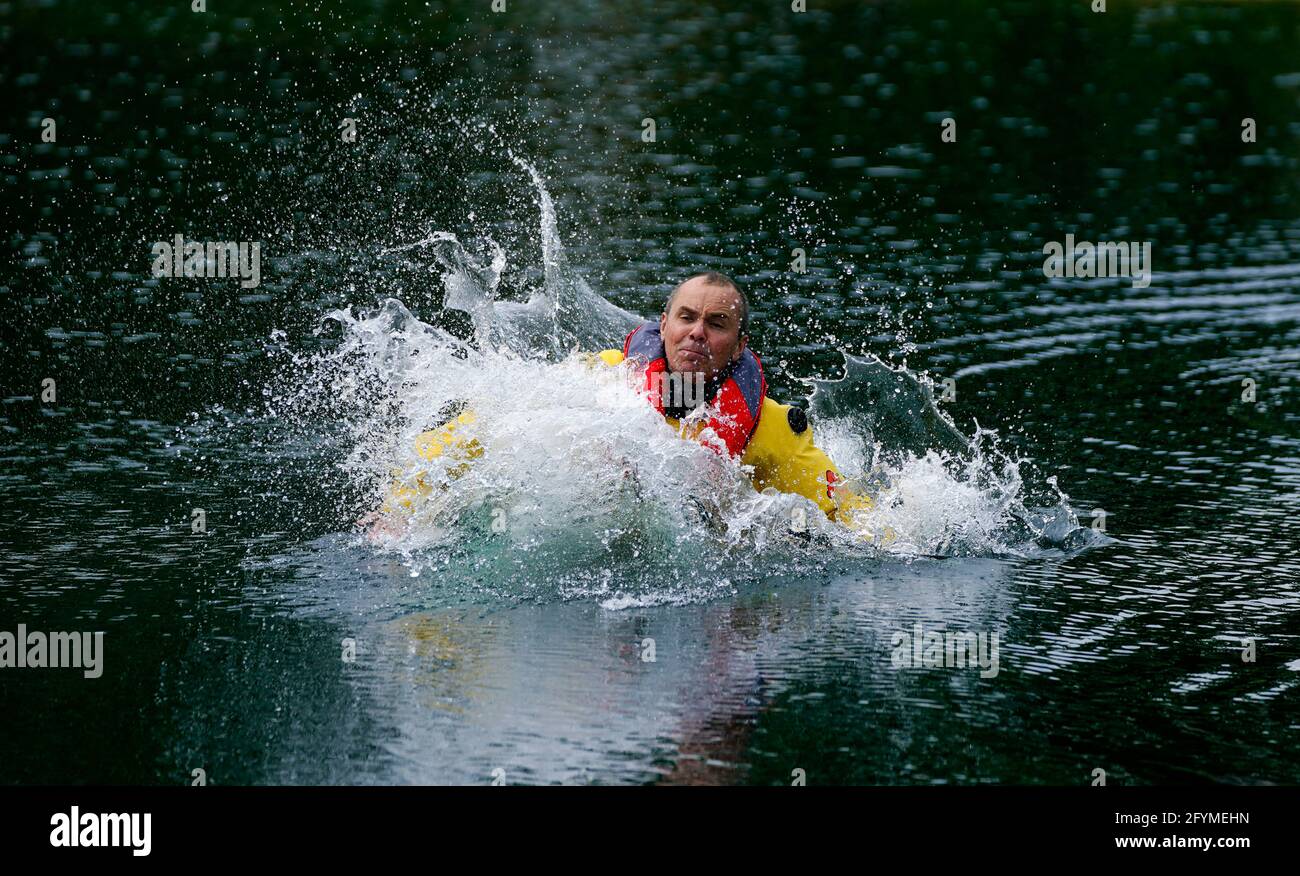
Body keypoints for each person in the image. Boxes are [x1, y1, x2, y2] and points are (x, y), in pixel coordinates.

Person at [369, 271, 872, 531]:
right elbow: (477, 431)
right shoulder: (606, 378)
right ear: (664, 324)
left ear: (740, 347)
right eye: (686, 317)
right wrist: (401, 509)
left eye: (716, 325)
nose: (697, 333)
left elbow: (849, 513)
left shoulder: (773, 429)